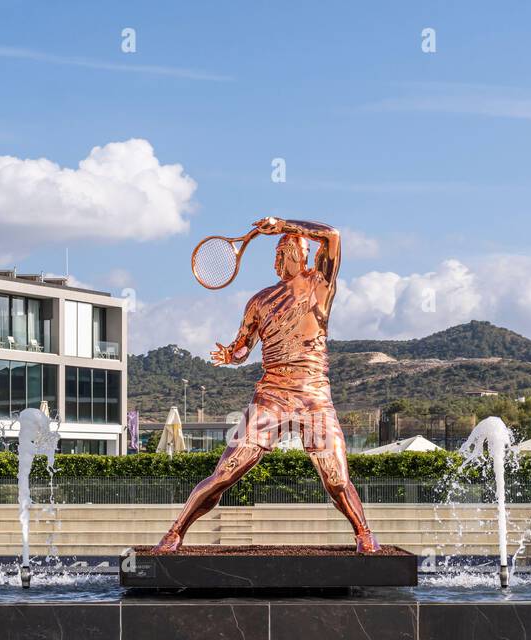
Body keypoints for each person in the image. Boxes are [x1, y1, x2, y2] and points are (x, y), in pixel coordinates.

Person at [153, 216, 380, 554]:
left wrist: (283, 223)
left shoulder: (321, 284)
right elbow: (244, 345)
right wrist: (232, 354)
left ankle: (363, 534)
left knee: (335, 478)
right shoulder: (260, 301)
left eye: (283, 251)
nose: (277, 259)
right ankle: (174, 533)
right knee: (225, 474)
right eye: (275, 253)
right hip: (271, 397)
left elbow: (332, 235)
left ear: (299, 253)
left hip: (314, 396)